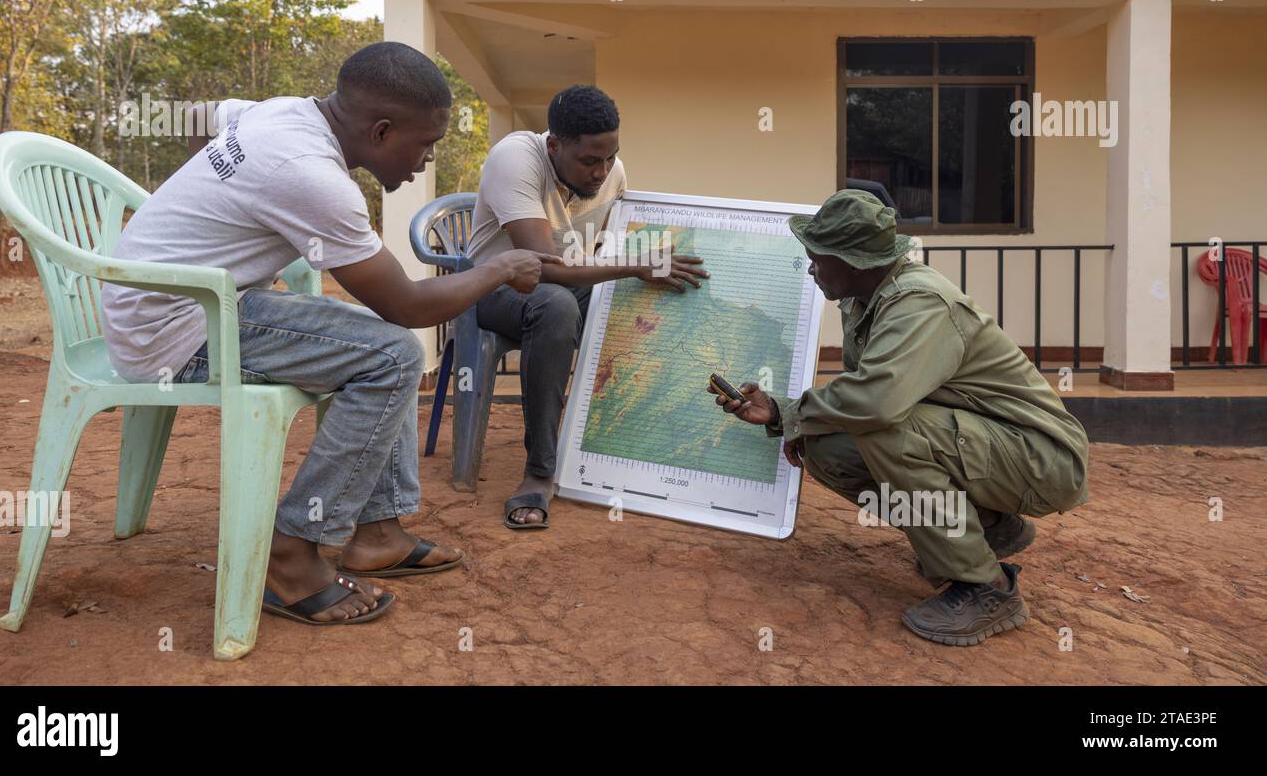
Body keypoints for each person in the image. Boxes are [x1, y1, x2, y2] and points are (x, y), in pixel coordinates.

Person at [100, 42, 558, 627]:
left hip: (188, 302)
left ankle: (377, 531)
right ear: (382, 130)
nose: (426, 161)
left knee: (371, 335)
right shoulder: (312, 177)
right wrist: (497, 266)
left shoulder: (280, 113)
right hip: (174, 330)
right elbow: (409, 305)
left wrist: (209, 211)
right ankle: (291, 554)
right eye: (426, 145)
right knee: (392, 353)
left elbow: (200, 118)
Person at [712, 189, 1090, 646]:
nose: (810, 267)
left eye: (818, 258)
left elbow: (876, 403)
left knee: (885, 431)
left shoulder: (920, 303)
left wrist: (790, 412)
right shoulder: (866, 297)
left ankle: (985, 589)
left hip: (1042, 458)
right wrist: (792, 420)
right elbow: (868, 395)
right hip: (991, 446)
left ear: (853, 262)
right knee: (827, 449)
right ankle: (988, 529)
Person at [466, 85, 709, 529]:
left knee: (654, 292)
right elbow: (542, 269)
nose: (601, 172)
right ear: (554, 145)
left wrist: (651, 265)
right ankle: (540, 473)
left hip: (563, 289)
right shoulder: (515, 158)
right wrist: (639, 265)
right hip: (493, 288)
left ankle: (633, 452)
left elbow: (606, 252)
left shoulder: (612, 172)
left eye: (610, 157)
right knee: (557, 305)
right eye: (589, 161)